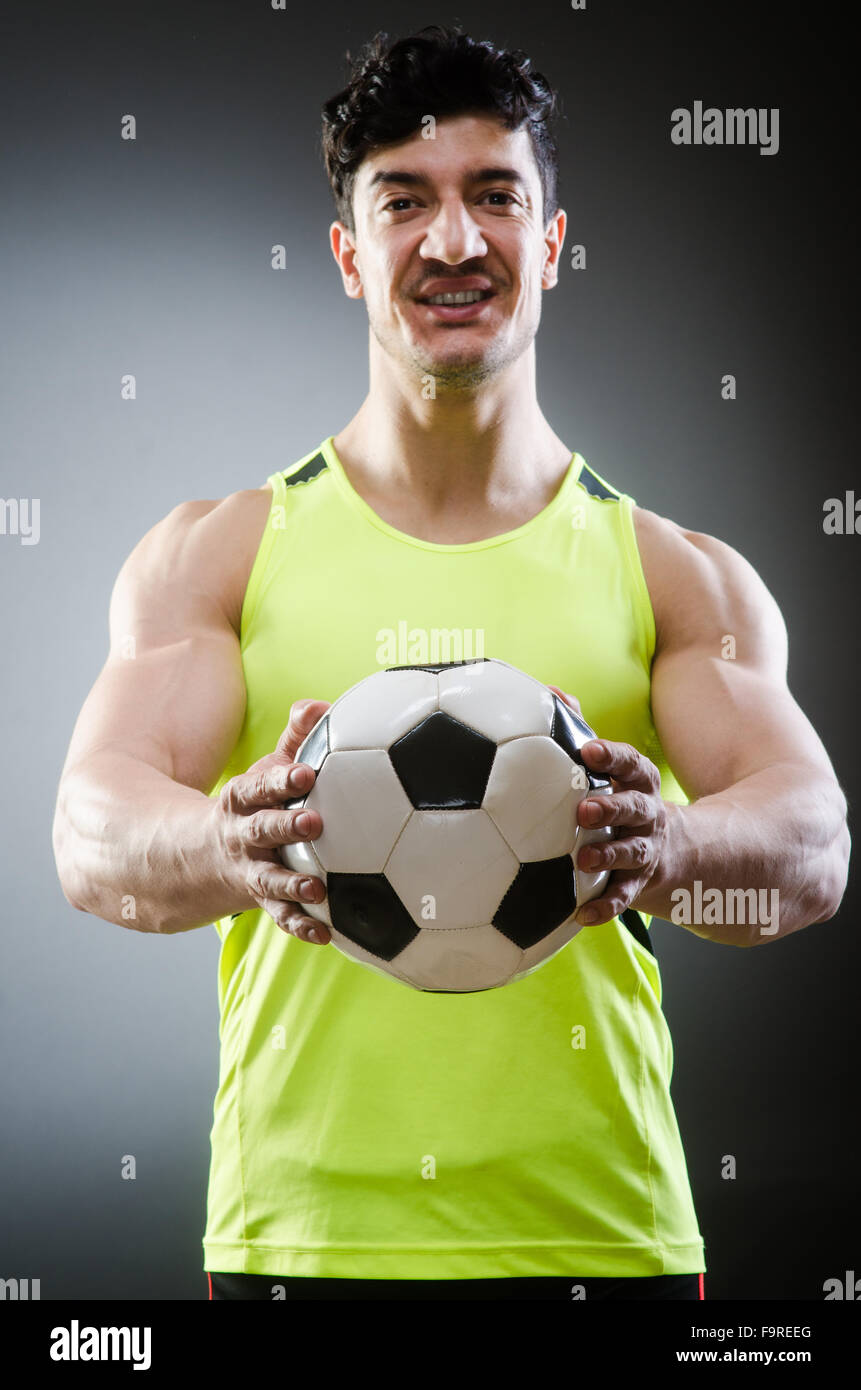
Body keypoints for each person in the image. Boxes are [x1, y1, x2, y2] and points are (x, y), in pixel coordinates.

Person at [52, 25, 850, 1302]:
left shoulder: (675, 572)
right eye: (404, 201)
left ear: (551, 242)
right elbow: (90, 830)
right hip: (299, 1242)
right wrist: (220, 843)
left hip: (605, 1238)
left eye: (496, 196)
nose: (456, 241)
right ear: (348, 257)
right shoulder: (216, 553)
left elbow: (814, 839)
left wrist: (678, 847)